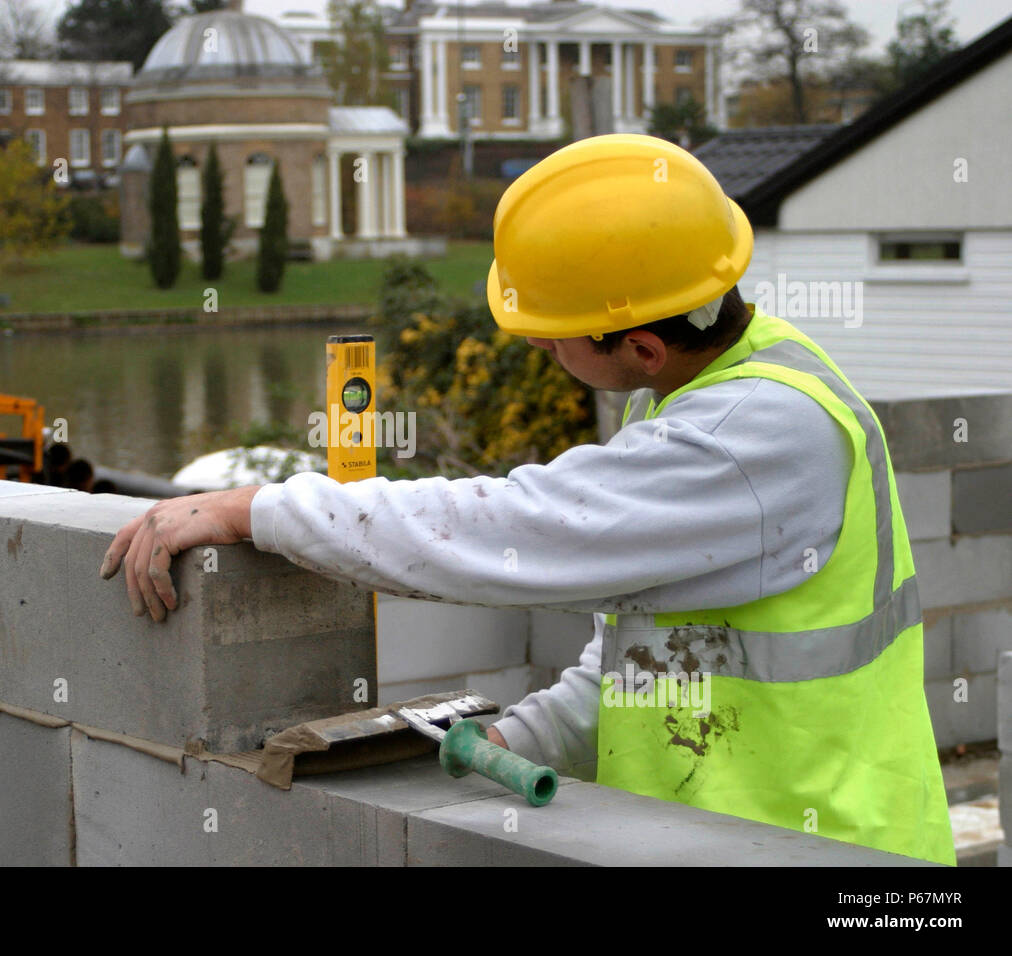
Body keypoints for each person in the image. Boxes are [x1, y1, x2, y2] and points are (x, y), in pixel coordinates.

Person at [100, 134, 955, 866]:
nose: (540, 340)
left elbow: (512, 531)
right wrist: (527, 736)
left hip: (830, 850)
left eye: (555, 333)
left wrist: (260, 511)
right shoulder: (705, 385)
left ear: (646, 346)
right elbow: (666, 649)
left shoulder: (753, 435)